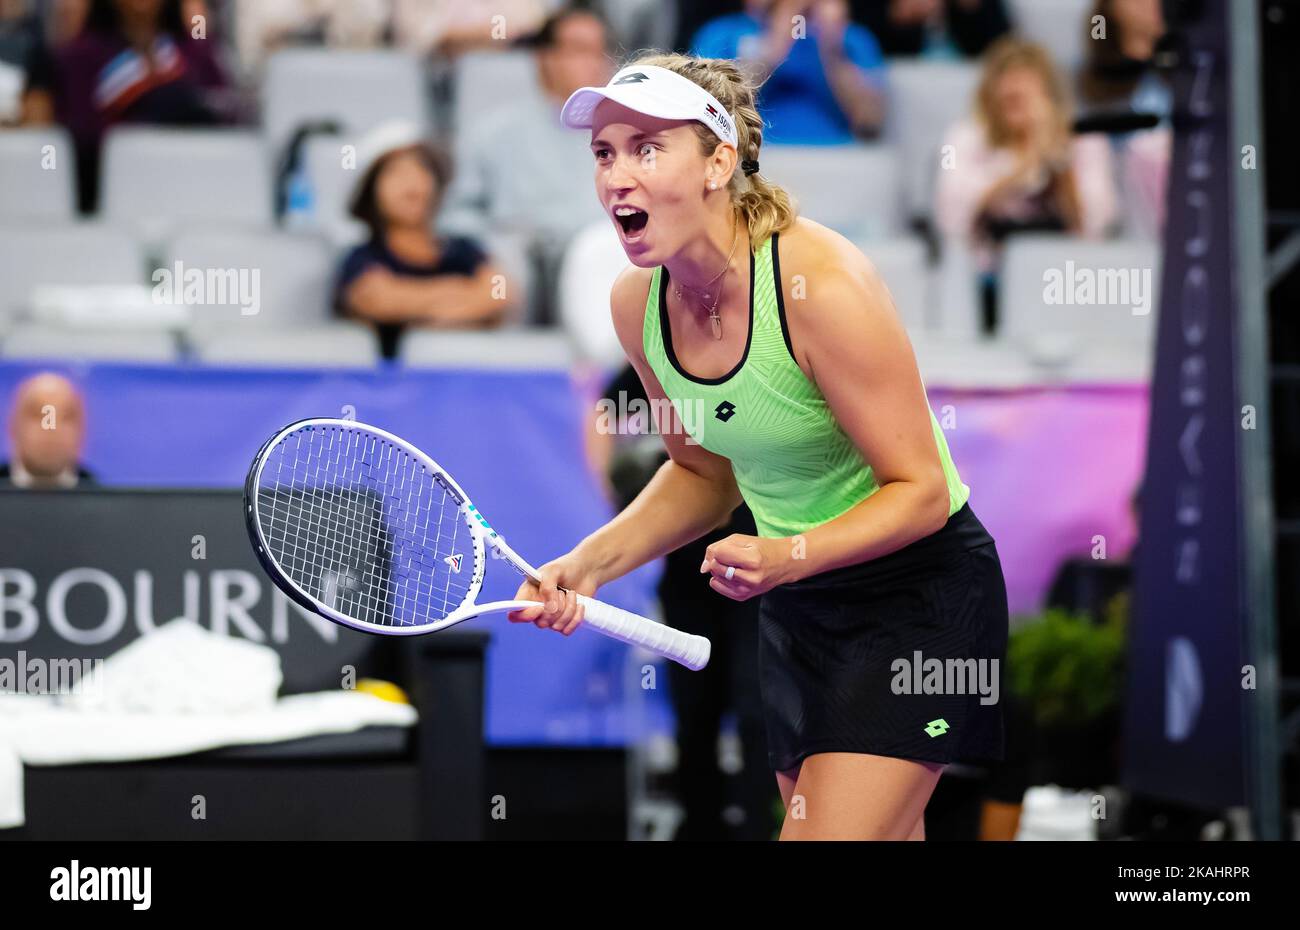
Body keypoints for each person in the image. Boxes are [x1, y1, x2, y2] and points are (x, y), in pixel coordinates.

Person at [511, 52, 1008, 840]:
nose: (616, 177)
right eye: (604, 153)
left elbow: (923, 491)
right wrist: (590, 564)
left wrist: (787, 554)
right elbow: (704, 474)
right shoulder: (637, 304)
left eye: (647, 149)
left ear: (719, 163)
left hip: (917, 600)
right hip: (801, 610)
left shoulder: (823, 287)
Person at [592, 362, 777, 840]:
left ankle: (759, 828)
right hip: (689, 578)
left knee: (756, 711)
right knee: (695, 713)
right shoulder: (669, 352)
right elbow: (604, 412)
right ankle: (701, 827)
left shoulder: (769, 361)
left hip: (763, 579)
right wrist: (616, 491)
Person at [934, 38, 1118, 331]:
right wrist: (1026, 162)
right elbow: (951, 218)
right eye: (1009, 99)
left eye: (1026, 97)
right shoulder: (965, 137)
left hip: (1067, 281)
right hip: (990, 281)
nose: (1018, 108)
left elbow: (1095, 222)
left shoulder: (1084, 141)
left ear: (1049, 97)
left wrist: (1056, 156)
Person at [333, 120, 517, 360]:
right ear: (371, 189)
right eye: (395, 172)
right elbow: (379, 301)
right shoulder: (362, 258)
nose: (411, 182)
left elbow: (500, 293)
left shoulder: (464, 249)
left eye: (420, 169)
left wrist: (415, 306)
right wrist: (460, 292)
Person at [53, 0, 231, 212]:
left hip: (194, 192)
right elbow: (81, 134)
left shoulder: (195, 53)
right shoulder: (80, 55)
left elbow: (224, 115)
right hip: (111, 200)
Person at [690, 0, 887, 144]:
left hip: (837, 158)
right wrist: (777, 38)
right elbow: (714, 113)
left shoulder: (852, 38)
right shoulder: (721, 34)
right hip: (753, 156)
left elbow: (869, 122)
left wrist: (832, 45)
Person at [1, 372, 95, 489]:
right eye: (37, 414)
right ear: (12, 426)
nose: (51, 428)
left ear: (81, 430)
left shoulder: (103, 496)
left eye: (65, 416)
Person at [851, 0, 1010, 59]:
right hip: (903, 87)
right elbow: (857, 42)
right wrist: (900, 17)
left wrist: (971, 8)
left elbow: (1004, 46)